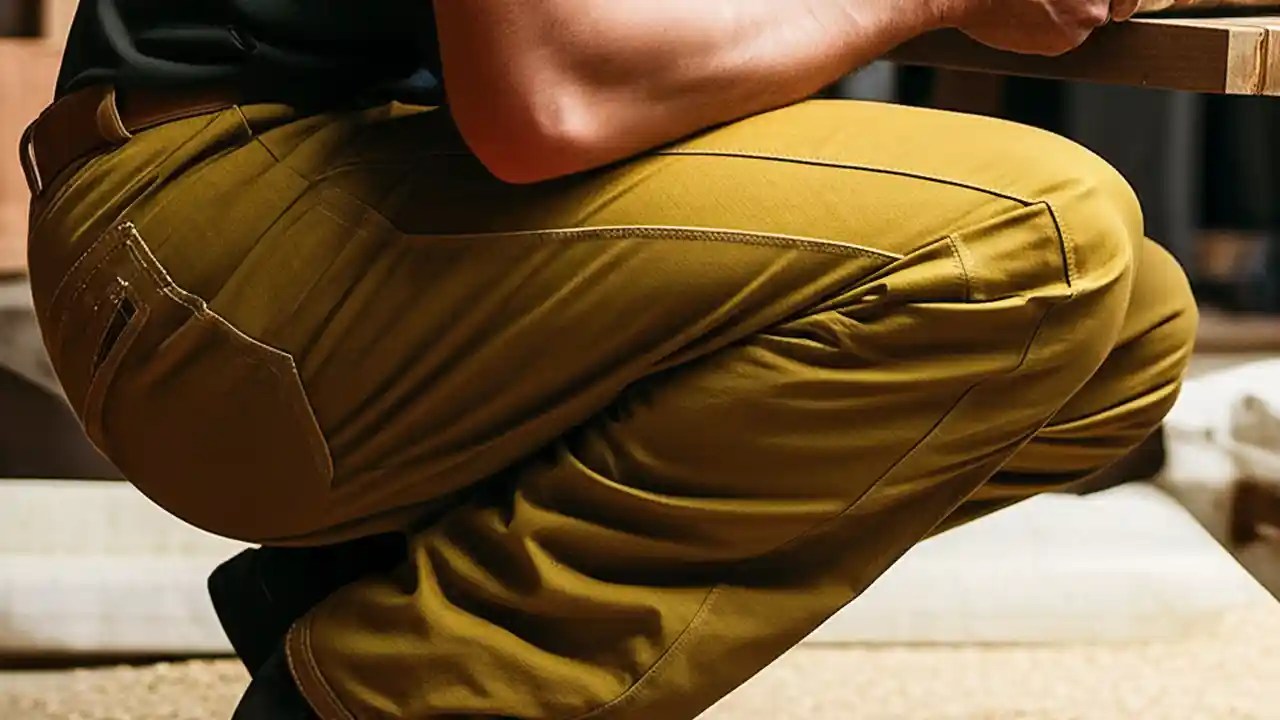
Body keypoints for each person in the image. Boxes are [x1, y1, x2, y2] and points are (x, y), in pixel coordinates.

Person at [22, 0, 1197, 717]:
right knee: (1038, 235)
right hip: (200, 255)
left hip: (360, 200)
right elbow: (549, 99)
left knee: (1123, 328)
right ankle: (382, 695)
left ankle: (382, 596)